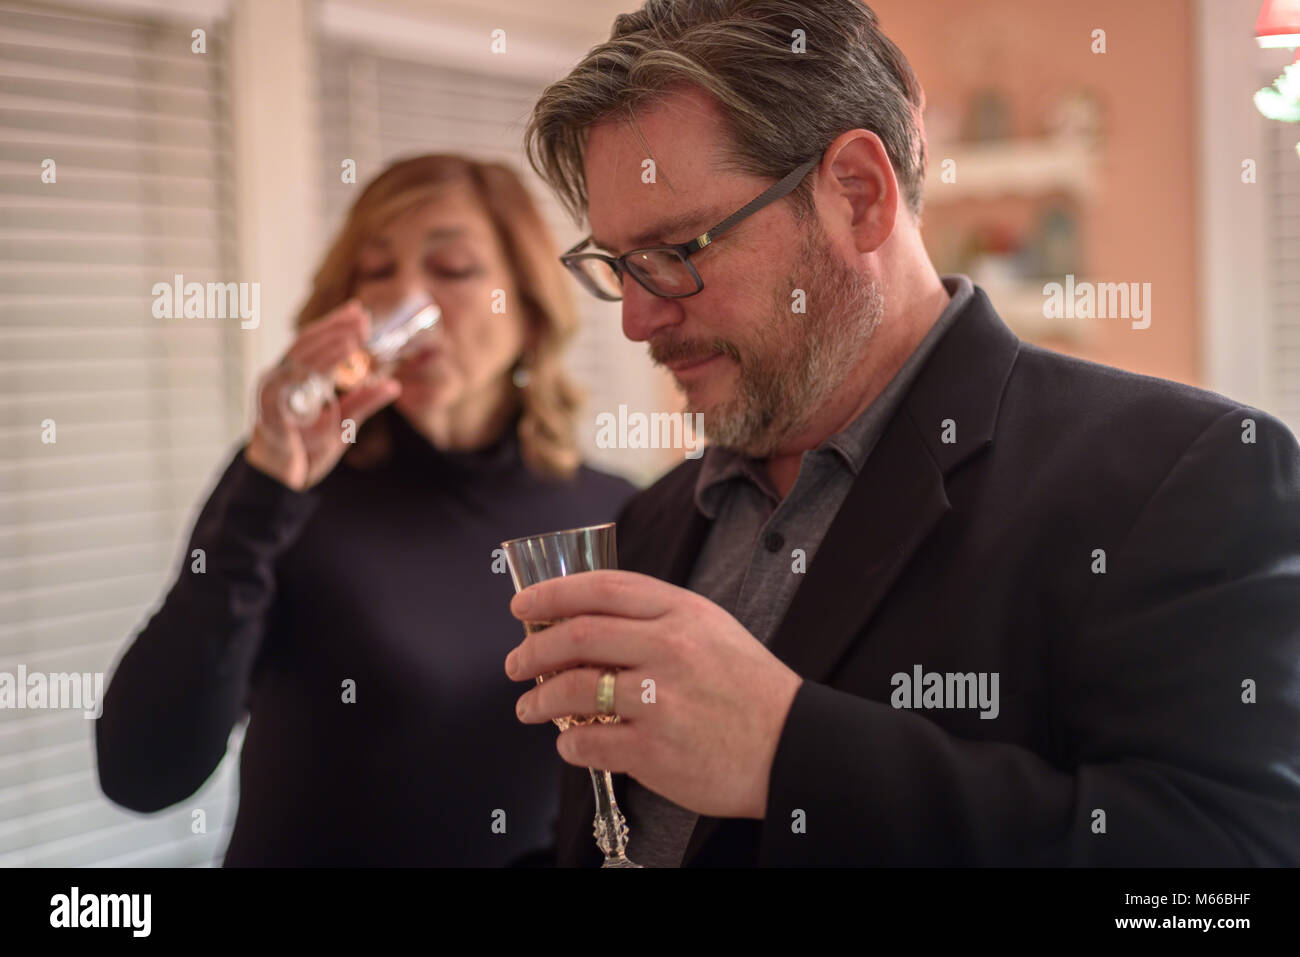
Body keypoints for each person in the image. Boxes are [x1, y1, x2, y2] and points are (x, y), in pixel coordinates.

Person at [508, 0, 1300, 866]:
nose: (636, 319)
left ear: (858, 194)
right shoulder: (650, 524)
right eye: (619, 266)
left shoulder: (1181, 477)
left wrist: (789, 754)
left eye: (675, 250)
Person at [95, 155, 636, 866]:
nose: (408, 298)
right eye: (377, 273)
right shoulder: (286, 493)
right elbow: (141, 770)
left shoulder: (614, 510)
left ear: (529, 309)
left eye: (453, 267)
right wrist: (265, 490)